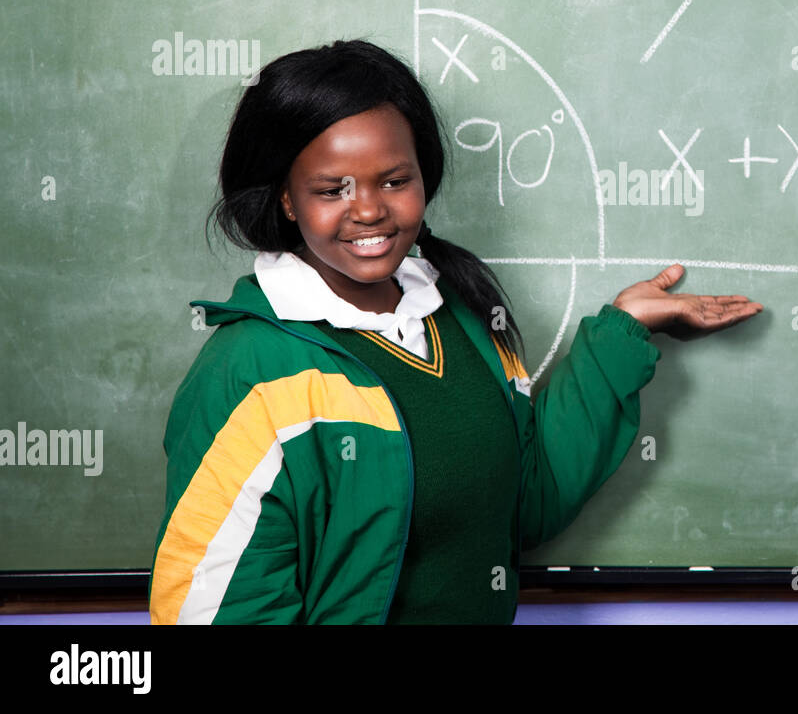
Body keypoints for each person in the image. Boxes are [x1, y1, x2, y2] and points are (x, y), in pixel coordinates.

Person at [148, 39, 761, 624]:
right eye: (332, 189)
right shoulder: (248, 375)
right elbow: (219, 610)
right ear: (286, 200)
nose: (368, 210)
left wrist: (622, 332)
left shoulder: (462, 318)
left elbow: (526, 502)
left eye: (395, 180)